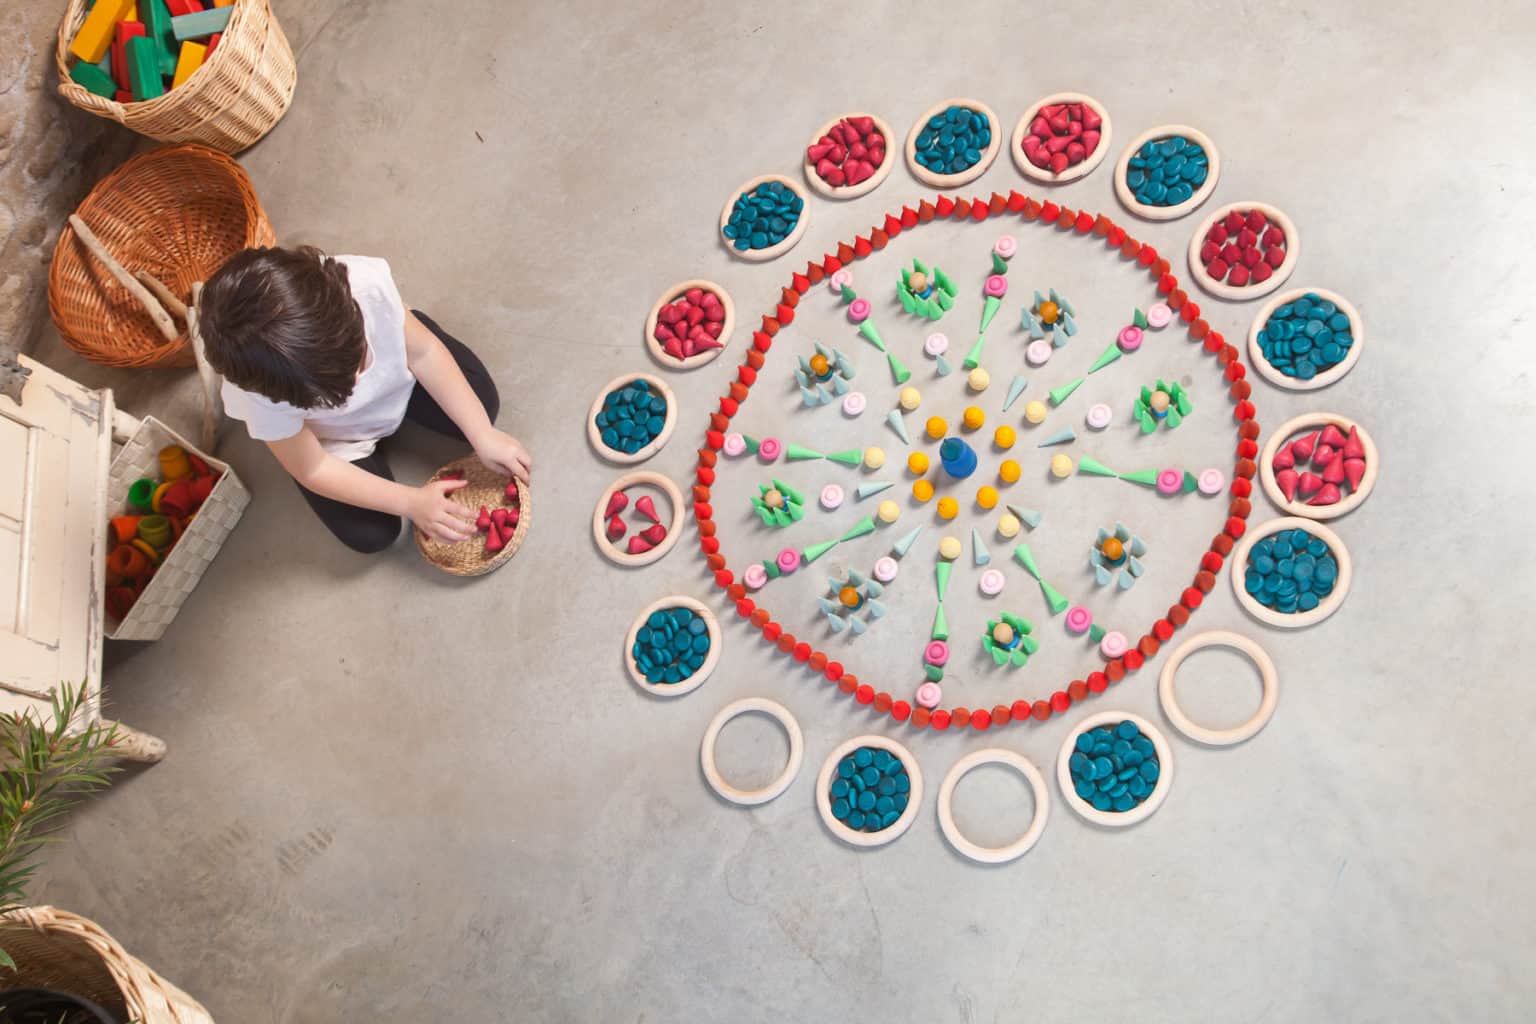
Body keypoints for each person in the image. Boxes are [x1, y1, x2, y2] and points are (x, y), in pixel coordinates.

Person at [195, 246, 531, 553]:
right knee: (371, 534)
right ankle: (367, 448)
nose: (358, 381)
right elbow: (313, 468)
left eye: (358, 358)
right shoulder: (257, 394)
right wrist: (411, 502)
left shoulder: (363, 286)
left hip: (400, 375)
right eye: (334, 388)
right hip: (334, 437)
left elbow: (424, 352)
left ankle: (407, 333)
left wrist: (482, 433)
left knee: (481, 406)